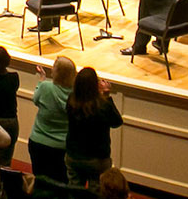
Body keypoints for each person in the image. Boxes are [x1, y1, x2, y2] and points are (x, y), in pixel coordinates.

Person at [62, 68, 121, 185]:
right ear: (95, 86)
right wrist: (107, 95)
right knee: (96, 193)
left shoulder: (71, 101)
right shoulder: (103, 105)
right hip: (97, 158)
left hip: (74, 155)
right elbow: (117, 122)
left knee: (74, 190)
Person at [28, 55, 75, 183]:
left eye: (54, 67)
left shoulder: (45, 87)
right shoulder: (75, 95)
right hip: (62, 147)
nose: (51, 69)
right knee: (61, 182)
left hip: (38, 143)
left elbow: (36, 100)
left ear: (57, 73)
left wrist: (41, 80)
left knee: (40, 181)